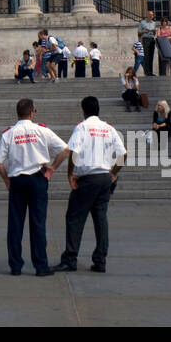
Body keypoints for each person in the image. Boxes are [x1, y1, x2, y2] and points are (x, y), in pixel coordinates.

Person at [0, 97, 71, 277]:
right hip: (38, 179)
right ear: (32, 112)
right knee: (38, 223)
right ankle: (41, 266)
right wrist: (52, 169)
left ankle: (16, 266)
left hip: (17, 180)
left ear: (18, 113)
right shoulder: (42, 130)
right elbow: (65, 150)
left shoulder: (9, 133)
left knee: (15, 224)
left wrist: (6, 179)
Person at [52, 96, 127, 274]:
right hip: (104, 178)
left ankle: (70, 258)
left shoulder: (83, 127)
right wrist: (113, 173)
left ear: (84, 110)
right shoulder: (109, 128)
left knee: (75, 217)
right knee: (101, 219)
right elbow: (123, 155)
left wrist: (70, 174)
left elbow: (74, 152)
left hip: (88, 179)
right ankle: (100, 260)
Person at [138, 11, 157, 76]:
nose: (150, 16)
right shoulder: (142, 22)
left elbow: (154, 33)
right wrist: (144, 31)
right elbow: (139, 33)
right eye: (149, 14)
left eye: (152, 15)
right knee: (146, 56)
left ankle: (150, 72)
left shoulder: (154, 23)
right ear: (147, 15)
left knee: (151, 56)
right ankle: (146, 72)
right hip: (145, 39)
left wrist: (154, 32)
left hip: (152, 39)